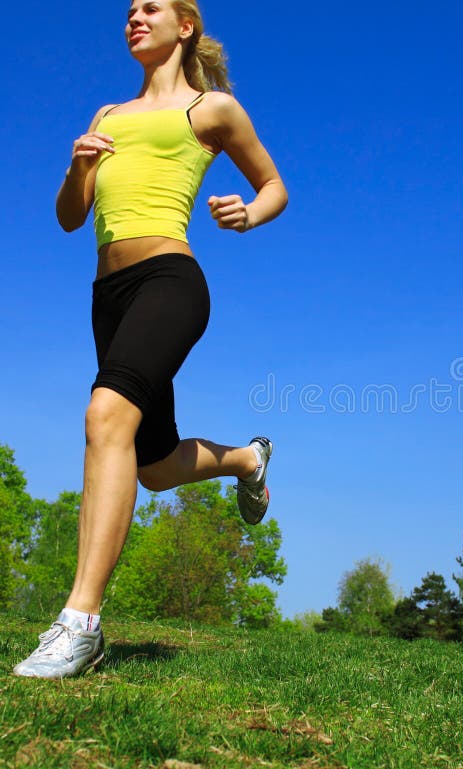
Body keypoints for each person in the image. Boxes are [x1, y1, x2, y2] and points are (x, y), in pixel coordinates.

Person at [13, 0, 288, 679]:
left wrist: (248, 213)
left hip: (172, 282)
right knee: (152, 466)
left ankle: (80, 623)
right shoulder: (107, 116)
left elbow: (274, 183)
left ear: (184, 25)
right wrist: (78, 168)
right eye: (129, 9)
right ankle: (246, 460)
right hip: (107, 296)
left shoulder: (212, 110)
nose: (134, 15)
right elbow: (69, 219)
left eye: (151, 7)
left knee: (104, 413)